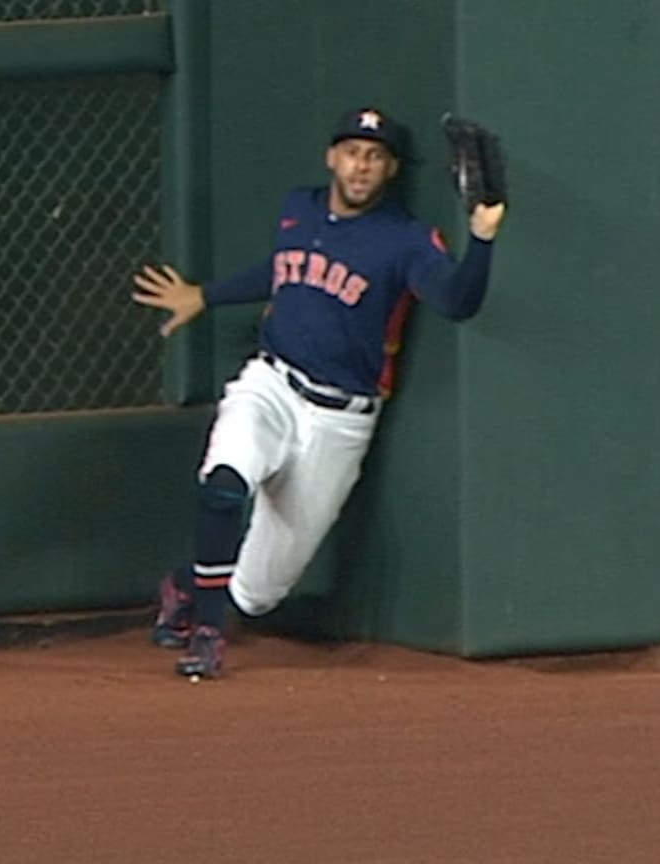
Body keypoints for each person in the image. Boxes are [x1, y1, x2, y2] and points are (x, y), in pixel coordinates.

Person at [130, 106, 506, 679]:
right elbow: (283, 269)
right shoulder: (299, 208)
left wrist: (482, 239)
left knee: (258, 594)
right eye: (352, 152)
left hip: (341, 419)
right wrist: (206, 295)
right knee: (225, 480)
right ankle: (206, 633)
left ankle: (186, 585)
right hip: (271, 385)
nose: (361, 166)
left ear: (391, 169)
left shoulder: (406, 240)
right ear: (332, 157)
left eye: (375, 156)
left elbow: (457, 302)